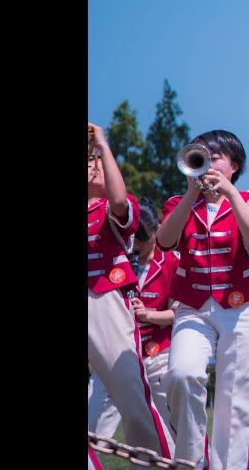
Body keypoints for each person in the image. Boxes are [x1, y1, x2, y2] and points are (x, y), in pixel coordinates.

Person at [158, 129, 249, 470]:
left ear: (234, 165)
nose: (207, 162)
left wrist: (230, 195)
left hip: (243, 308)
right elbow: (165, 242)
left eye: (216, 156)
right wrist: (190, 194)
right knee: (181, 375)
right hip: (193, 307)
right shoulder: (178, 203)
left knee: (236, 398)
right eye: (201, 155)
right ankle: (191, 461)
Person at [87, 122, 172, 458]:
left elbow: (119, 198)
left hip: (103, 300)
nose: (92, 166)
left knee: (131, 395)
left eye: (96, 162)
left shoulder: (110, 209)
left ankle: (155, 464)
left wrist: (103, 144)